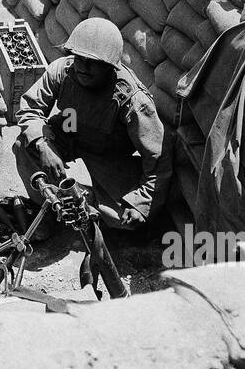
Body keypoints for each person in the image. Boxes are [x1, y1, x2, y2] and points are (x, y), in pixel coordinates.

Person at [13, 18, 170, 231]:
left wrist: (141, 203)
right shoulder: (63, 70)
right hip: (69, 132)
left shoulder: (133, 99)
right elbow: (30, 108)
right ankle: (51, 209)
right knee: (25, 145)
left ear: (109, 66)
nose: (83, 68)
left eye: (92, 62)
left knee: (125, 219)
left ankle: (84, 202)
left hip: (108, 154)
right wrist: (44, 144)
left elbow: (157, 159)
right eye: (79, 58)